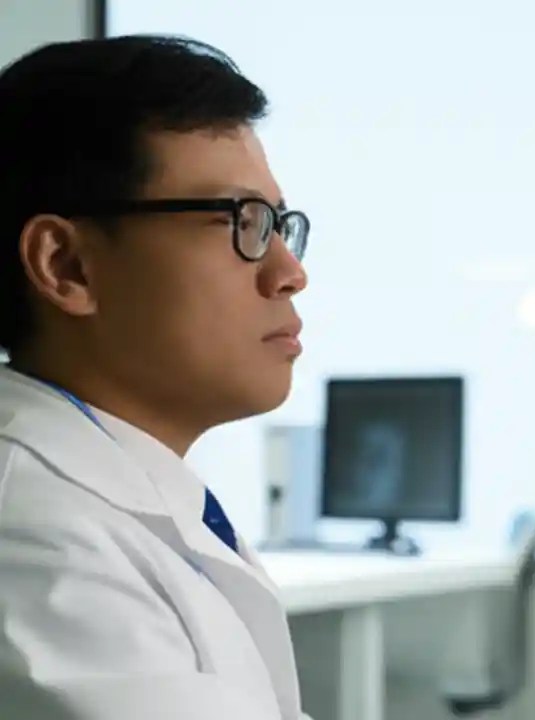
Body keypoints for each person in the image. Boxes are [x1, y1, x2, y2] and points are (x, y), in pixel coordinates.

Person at [0, 35, 312, 720]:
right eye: (243, 223)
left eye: (281, 225)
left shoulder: (127, 491)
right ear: (67, 267)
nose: (290, 272)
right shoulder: (33, 541)